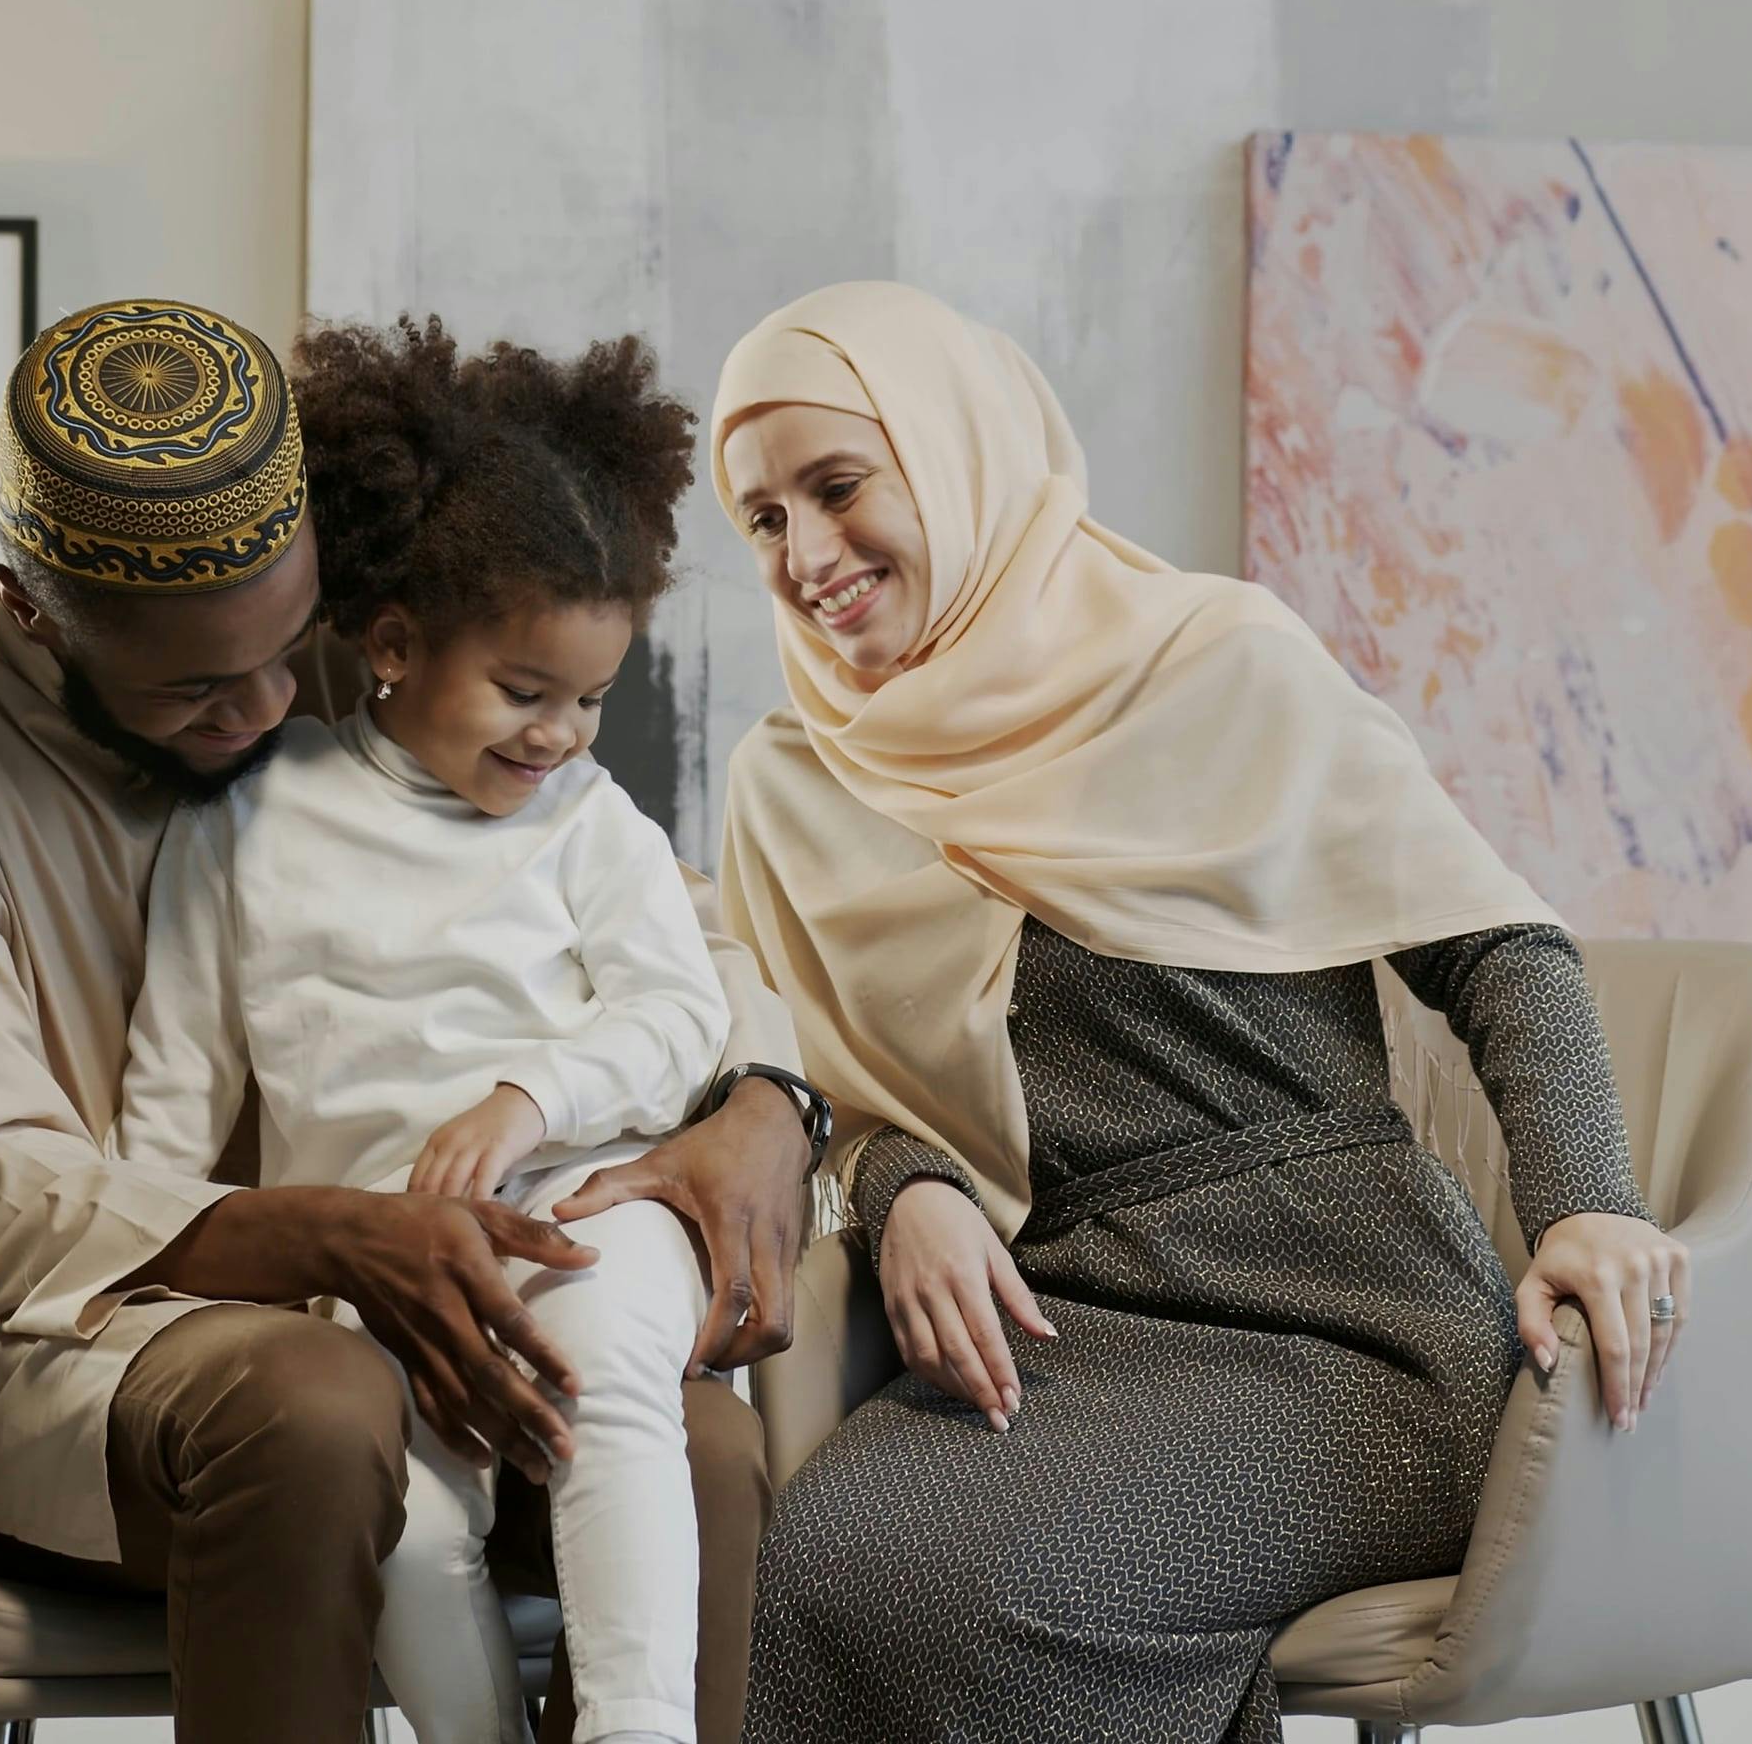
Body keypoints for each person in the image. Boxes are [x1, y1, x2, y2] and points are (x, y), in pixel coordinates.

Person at [0, 298, 824, 1742]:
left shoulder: (357, 636)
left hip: (389, 1282)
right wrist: (331, 1237)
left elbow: (667, 924)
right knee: (311, 1405)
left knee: (695, 1441)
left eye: (289, 646)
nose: (262, 709)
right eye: (194, 685)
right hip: (39, 1337)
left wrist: (766, 1105)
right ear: (24, 605)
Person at [708, 282, 1691, 1743]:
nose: (806, 554)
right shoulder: (792, 787)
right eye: (764, 521)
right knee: (836, 1556)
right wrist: (900, 1178)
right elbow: (817, 1097)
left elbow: (1501, 951)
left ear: (958, 449)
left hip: (1353, 1325)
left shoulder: (1216, 662)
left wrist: (1584, 1205)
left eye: (839, 487)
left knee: (992, 1588)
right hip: (1064, 1324)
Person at [116, 319, 724, 1744]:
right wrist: (182, 1272)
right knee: (407, 1522)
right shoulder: (250, 819)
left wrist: (530, 1095)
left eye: (591, 698)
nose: (563, 735)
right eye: (526, 691)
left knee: (609, 1393)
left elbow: (683, 1013)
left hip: (577, 1209)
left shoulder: (590, 825)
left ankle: (643, 1729)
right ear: (392, 643)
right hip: (377, 1261)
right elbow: (173, 1094)